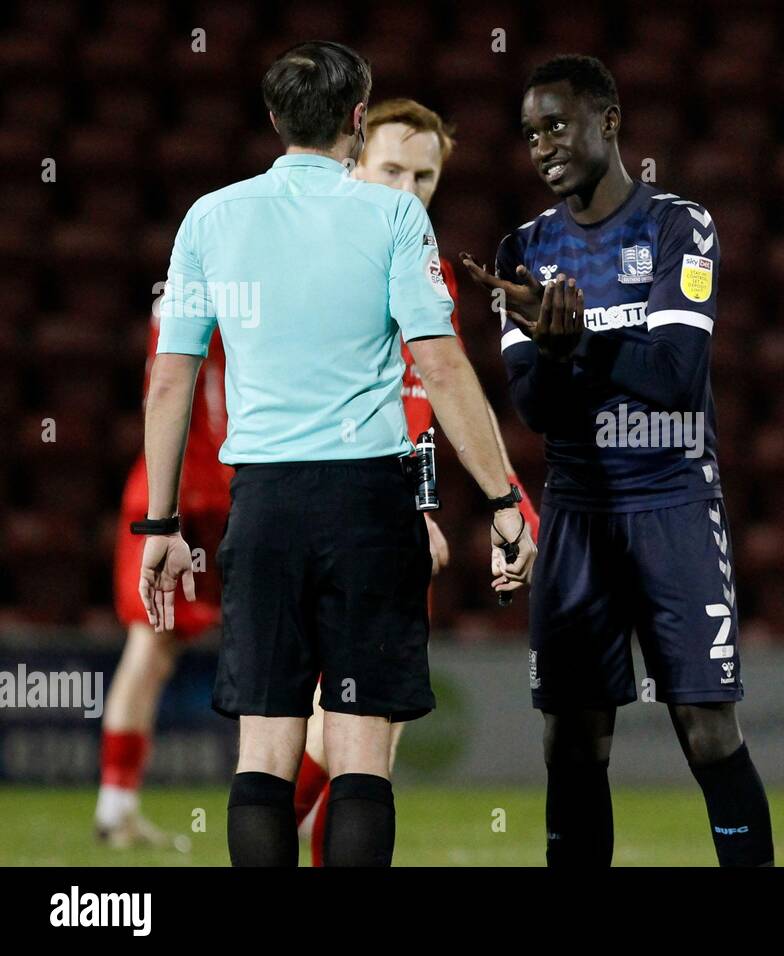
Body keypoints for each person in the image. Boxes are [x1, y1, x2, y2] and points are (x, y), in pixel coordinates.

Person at [138, 41, 534, 866]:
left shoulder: (211, 217)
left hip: (266, 506)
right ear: (359, 121)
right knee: (360, 758)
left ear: (276, 118)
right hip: (368, 508)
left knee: (265, 757)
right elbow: (441, 365)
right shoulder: (392, 217)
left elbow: (169, 383)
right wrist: (503, 502)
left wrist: (161, 523)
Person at [461, 54, 773, 867]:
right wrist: (568, 356)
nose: (541, 146)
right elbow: (537, 409)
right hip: (576, 510)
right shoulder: (522, 248)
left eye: (556, 125)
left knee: (707, 731)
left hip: (673, 501)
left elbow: (674, 378)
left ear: (609, 119)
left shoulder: (679, 225)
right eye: (530, 133)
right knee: (571, 738)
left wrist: (577, 339)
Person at [291, 97, 541, 865]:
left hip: (384, 516)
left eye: (424, 176)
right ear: (353, 162)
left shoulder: (425, 268)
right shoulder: (318, 256)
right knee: (340, 736)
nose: (407, 188)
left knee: (367, 738)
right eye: (391, 168)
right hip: (319, 507)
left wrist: (502, 502)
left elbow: (426, 404)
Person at [95, 308, 229, 851]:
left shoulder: (215, 295)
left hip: (203, 491)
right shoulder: (194, 300)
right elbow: (170, 389)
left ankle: (118, 810)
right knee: (148, 646)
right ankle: (114, 808)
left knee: (157, 650)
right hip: (174, 497)